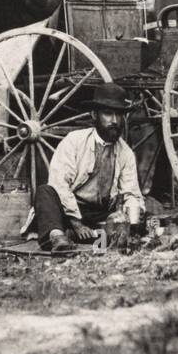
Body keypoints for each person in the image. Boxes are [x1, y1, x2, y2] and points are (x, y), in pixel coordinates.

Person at [33, 82, 145, 252]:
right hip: (69, 208)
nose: (115, 121)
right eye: (108, 114)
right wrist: (76, 223)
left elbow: (131, 192)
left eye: (119, 115)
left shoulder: (125, 153)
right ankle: (58, 236)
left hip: (98, 213)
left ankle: (79, 235)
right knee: (45, 192)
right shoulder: (74, 141)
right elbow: (60, 184)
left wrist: (128, 215)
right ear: (94, 114)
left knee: (140, 219)